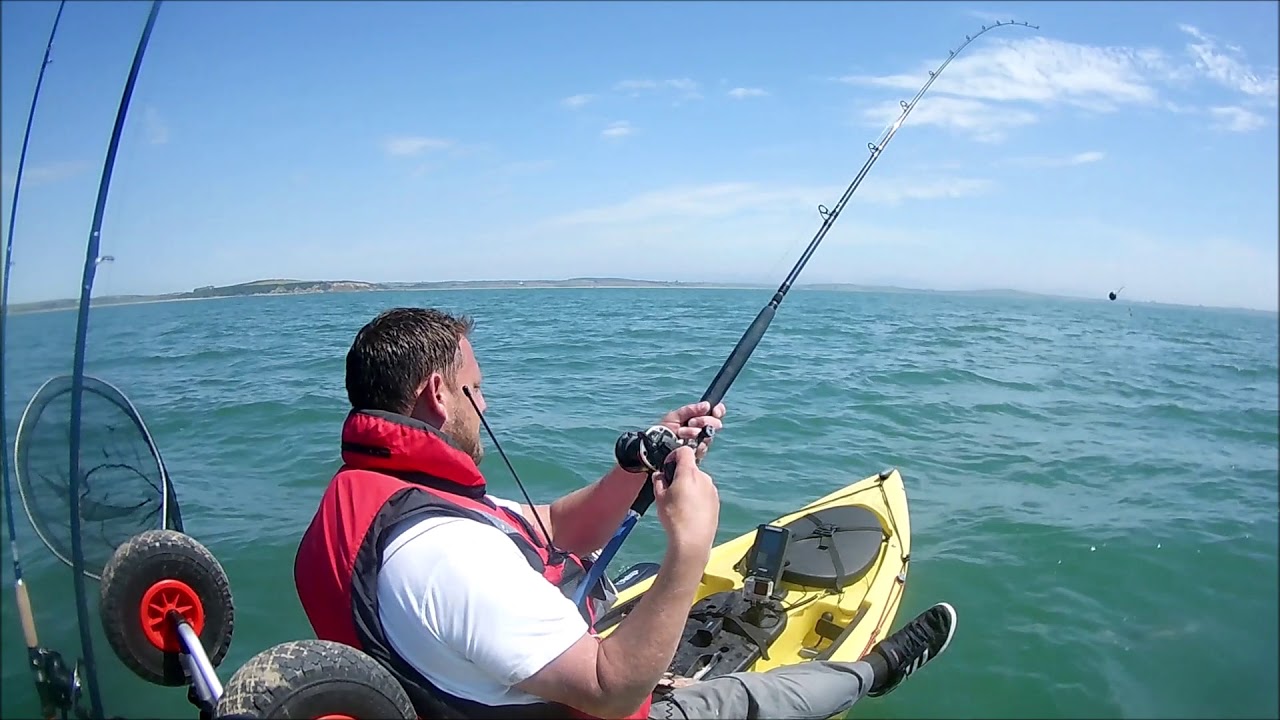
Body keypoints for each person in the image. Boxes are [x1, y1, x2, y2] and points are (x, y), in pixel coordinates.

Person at [293, 307, 959, 720]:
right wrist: (690, 547)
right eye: (478, 389)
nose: (485, 406)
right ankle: (877, 671)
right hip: (585, 704)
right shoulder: (446, 557)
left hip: (478, 681)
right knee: (751, 701)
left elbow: (553, 527)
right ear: (438, 393)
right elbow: (611, 691)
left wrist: (637, 465)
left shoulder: (374, 496)